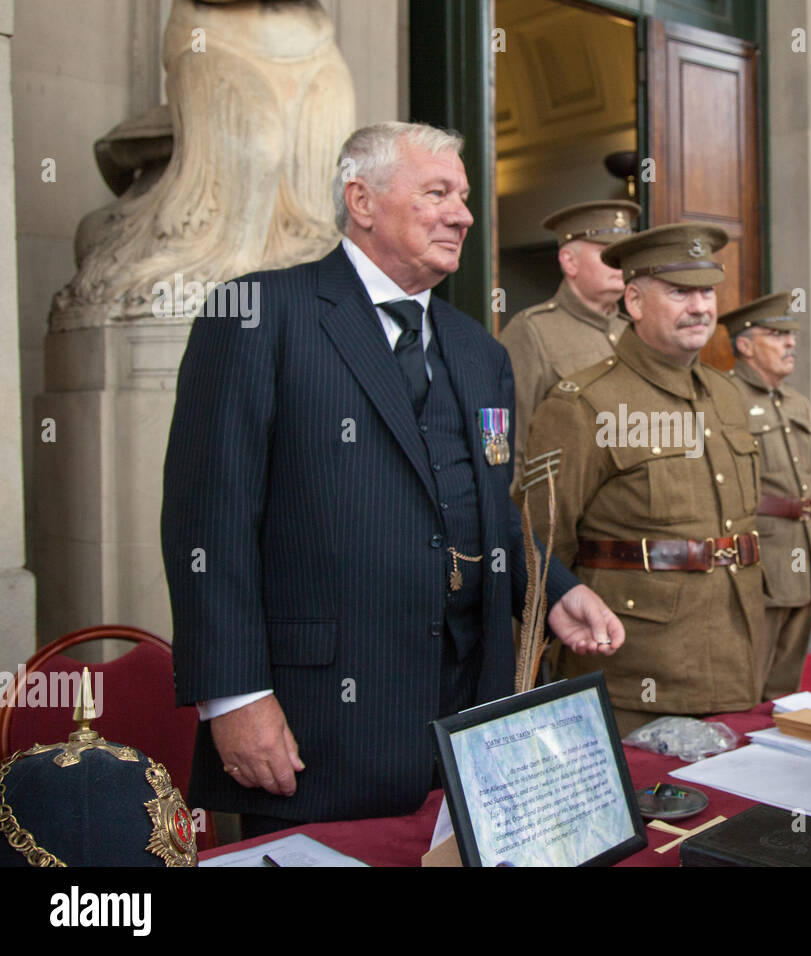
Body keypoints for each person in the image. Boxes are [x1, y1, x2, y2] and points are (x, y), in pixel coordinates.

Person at [161, 121, 624, 830]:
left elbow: (486, 507)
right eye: (437, 191)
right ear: (362, 200)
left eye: (464, 197)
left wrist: (554, 589)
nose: (464, 214)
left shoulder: (479, 352)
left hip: (470, 722)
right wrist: (233, 698)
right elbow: (208, 521)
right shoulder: (258, 314)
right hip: (318, 727)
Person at [522, 223, 769, 736]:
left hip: (738, 669)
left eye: (707, 291)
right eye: (680, 292)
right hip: (636, 683)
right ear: (633, 300)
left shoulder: (726, 395)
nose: (700, 307)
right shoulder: (582, 404)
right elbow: (540, 547)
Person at [721, 291, 811, 699]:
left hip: (801, 551)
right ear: (744, 345)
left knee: (786, 689)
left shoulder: (795, 401)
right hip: (758, 555)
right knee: (746, 684)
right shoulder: (722, 398)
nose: (790, 343)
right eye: (776, 334)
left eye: (791, 335)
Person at [499, 199, 641, 467]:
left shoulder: (633, 330)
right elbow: (508, 443)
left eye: (623, 254)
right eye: (608, 253)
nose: (620, 264)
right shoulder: (532, 330)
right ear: (570, 262)